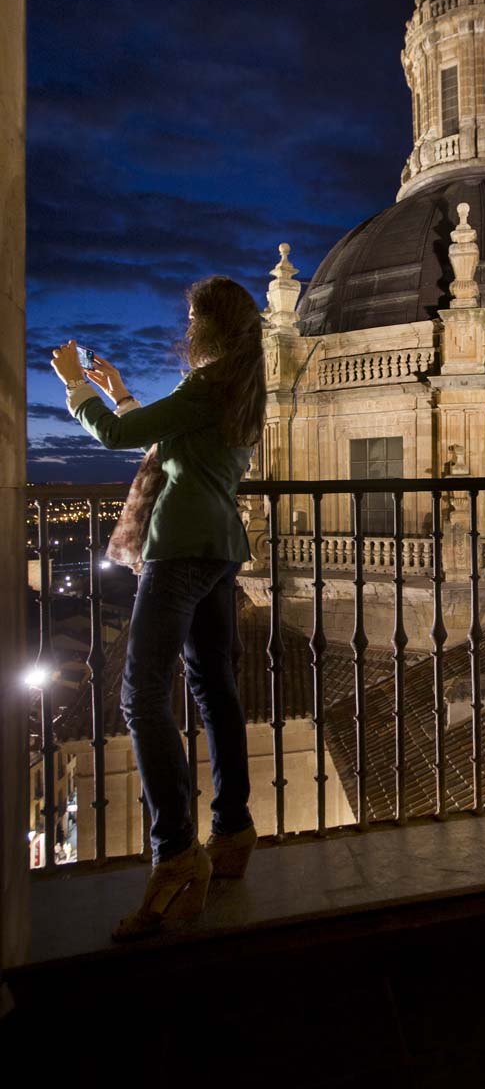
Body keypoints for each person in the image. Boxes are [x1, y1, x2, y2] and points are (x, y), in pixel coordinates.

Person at [50, 276, 265, 940]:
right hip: (221, 546)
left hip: (179, 549)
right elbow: (177, 442)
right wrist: (120, 391)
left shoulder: (207, 385)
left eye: (194, 316)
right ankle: (232, 828)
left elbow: (118, 437)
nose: (187, 324)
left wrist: (74, 386)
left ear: (211, 324)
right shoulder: (241, 387)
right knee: (214, 686)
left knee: (141, 696)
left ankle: (175, 854)